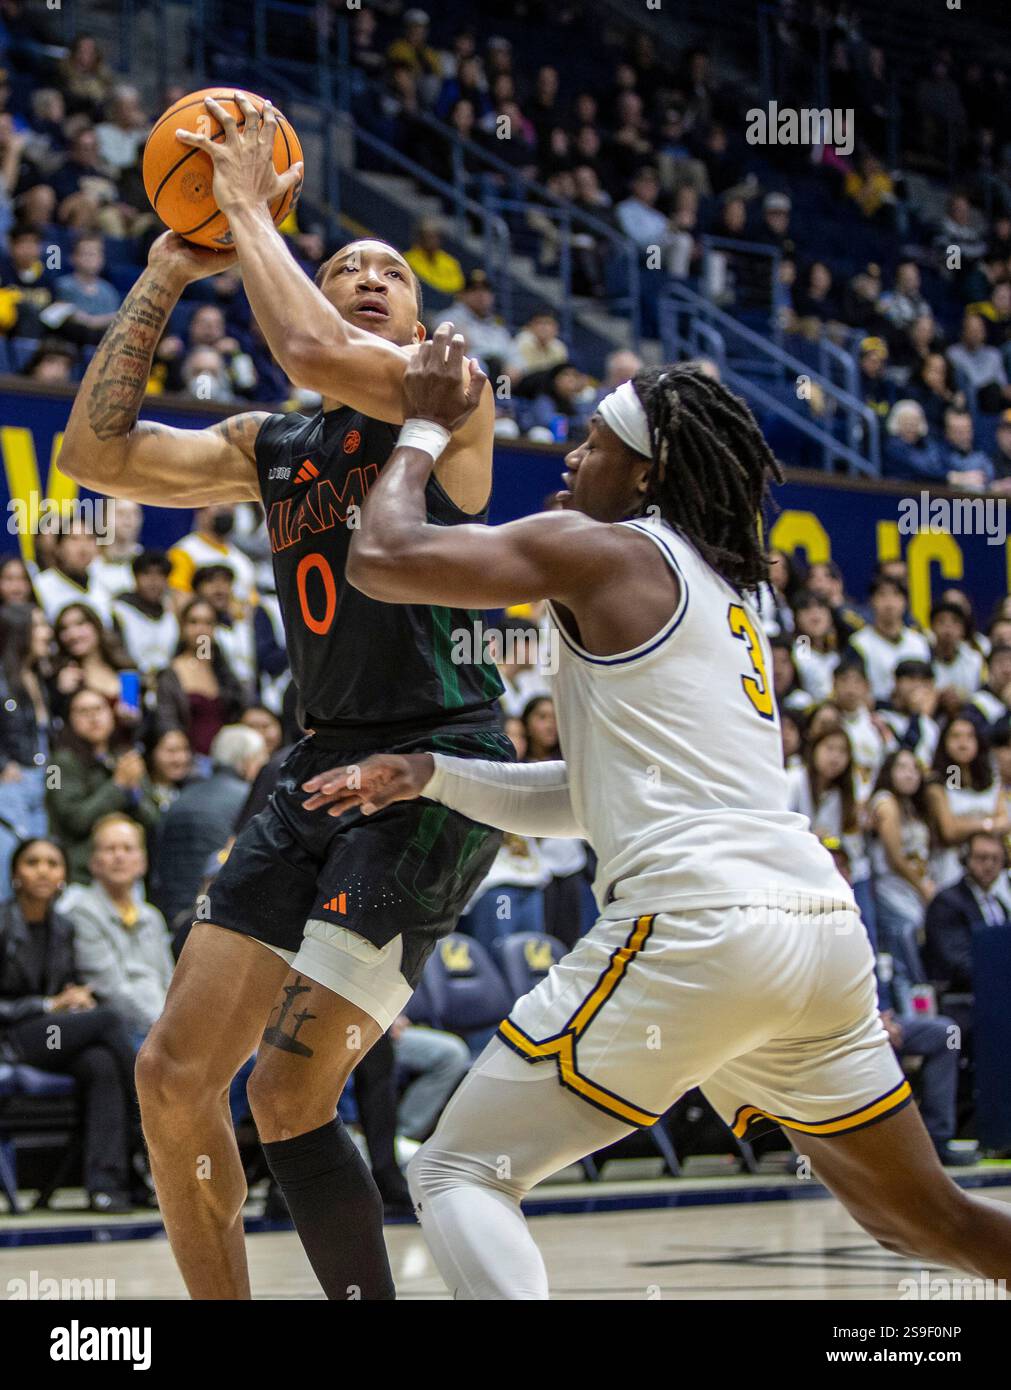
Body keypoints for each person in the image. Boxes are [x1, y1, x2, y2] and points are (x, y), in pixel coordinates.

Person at [302, 350, 1011, 1297]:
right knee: (921, 1218)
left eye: (592, 444)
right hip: (818, 933)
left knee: (458, 1169)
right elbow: (599, 798)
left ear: (647, 471)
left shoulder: (601, 548)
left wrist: (424, 426)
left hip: (699, 926)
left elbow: (383, 559)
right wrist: (433, 773)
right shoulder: (727, 594)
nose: (568, 458)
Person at [57, 94, 513, 1301]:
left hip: (439, 765)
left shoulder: (449, 396)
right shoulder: (275, 442)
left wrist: (251, 206)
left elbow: (313, 349)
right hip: (316, 759)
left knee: (288, 1088)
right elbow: (91, 462)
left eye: (388, 273)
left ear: (422, 317)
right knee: (170, 1075)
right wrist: (161, 273)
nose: (365, 277)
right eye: (343, 263)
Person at [0, 837, 140, 1212]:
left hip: (52, 1036)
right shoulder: (1, 922)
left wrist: (78, 999)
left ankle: (105, 1185)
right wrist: (47, 1004)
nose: (43, 870)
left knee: (100, 1063)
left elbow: (68, 983)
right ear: (15, 873)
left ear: (63, 874)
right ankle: (146, 1133)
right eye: (32, 862)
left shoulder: (64, 927)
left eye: (52, 863)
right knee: (109, 1020)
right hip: (12, 1038)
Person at [59, 814, 174, 1041]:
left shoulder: (152, 916)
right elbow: (110, 989)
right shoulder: (82, 911)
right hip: (123, 1030)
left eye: (128, 849)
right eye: (109, 849)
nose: (119, 856)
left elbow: (170, 982)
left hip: (165, 1024)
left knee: (242, 1062)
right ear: (93, 862)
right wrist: (166, 1031)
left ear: (142, 862)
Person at [46, 686, 155, 883]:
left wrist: (133, 793)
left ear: (111, 714)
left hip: (132, 875)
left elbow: (153, 819)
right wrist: (118, 785)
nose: (93, 717)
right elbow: (74, 820)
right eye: (83, 712)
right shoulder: (59, 764)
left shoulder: (125, 757)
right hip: (83, 874)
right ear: (69, 720)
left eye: (99, 709)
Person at [924, 831, 1010, 993]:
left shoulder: (1000, 905)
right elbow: (957, 964)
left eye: (996, 859)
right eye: (982, 858)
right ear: (965, 859)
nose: (989, 865)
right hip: (963, 995)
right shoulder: (947, 902)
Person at [848, 575, 931, 704]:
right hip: (875, 713)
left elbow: (929, 684)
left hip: (917, 710)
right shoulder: (858, 643)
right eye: (882, 595)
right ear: (872, 601)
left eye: (896, 595)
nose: (889, 603)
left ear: (905, 602)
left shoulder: (919, 642)